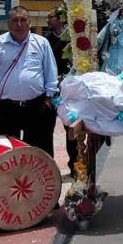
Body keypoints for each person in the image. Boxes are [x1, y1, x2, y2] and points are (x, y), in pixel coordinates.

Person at [0, 6, 59, 156]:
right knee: (5, 154)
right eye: (15, 20)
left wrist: (48, 98)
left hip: (37, 105)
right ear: (8, 23)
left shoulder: (41, 43)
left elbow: (51, 72)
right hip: (7, 107)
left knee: (40, 153)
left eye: (23, 20)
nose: (19, 24)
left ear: (30, 23)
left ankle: (39, 180)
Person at [45, 10, 77, 175]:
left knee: (70, 127)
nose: (48, 20)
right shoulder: (46, 39)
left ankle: (75, 165)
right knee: (46, 128)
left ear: (61, 19)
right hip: (51, 88)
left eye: (51, 17)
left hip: (69, 86)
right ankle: (48, 166)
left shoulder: (73, 36)